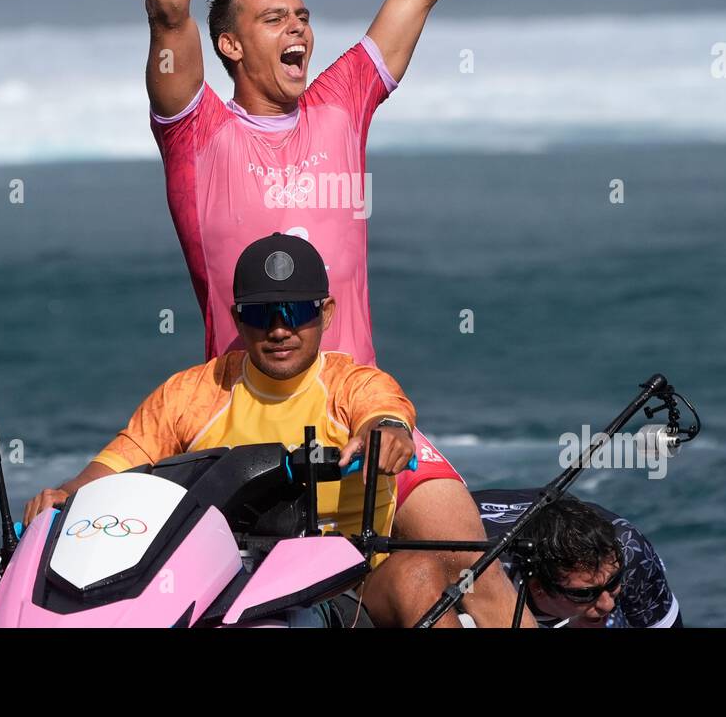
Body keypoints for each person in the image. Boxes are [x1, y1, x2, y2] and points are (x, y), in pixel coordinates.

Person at [140, 0, 524, 626]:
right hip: (249, 435)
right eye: (275, 18)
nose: (300, 31)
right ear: (230, 44)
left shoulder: (342, 103)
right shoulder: (194, 132)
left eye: (304, 16)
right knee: (367, 607)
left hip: (369, 420)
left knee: (480, 580)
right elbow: (167, 8)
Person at [24, 233, 463, 627]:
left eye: (296, 311)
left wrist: (384, 434)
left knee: (420, 572)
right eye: (261, 313)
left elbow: (384, 415)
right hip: (220, 581)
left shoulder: (356, 384)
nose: (279, 329)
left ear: (325, 314)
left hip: (347, 583)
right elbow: (113, 467)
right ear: (237, 319)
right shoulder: (189, 394)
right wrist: (64, 495)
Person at [473, 490, 683, 628]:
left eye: (612, 583)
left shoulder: (629, 551)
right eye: (585, 594)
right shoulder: (482, 571)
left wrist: (601, 590)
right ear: (538, 588)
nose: (607, 604)